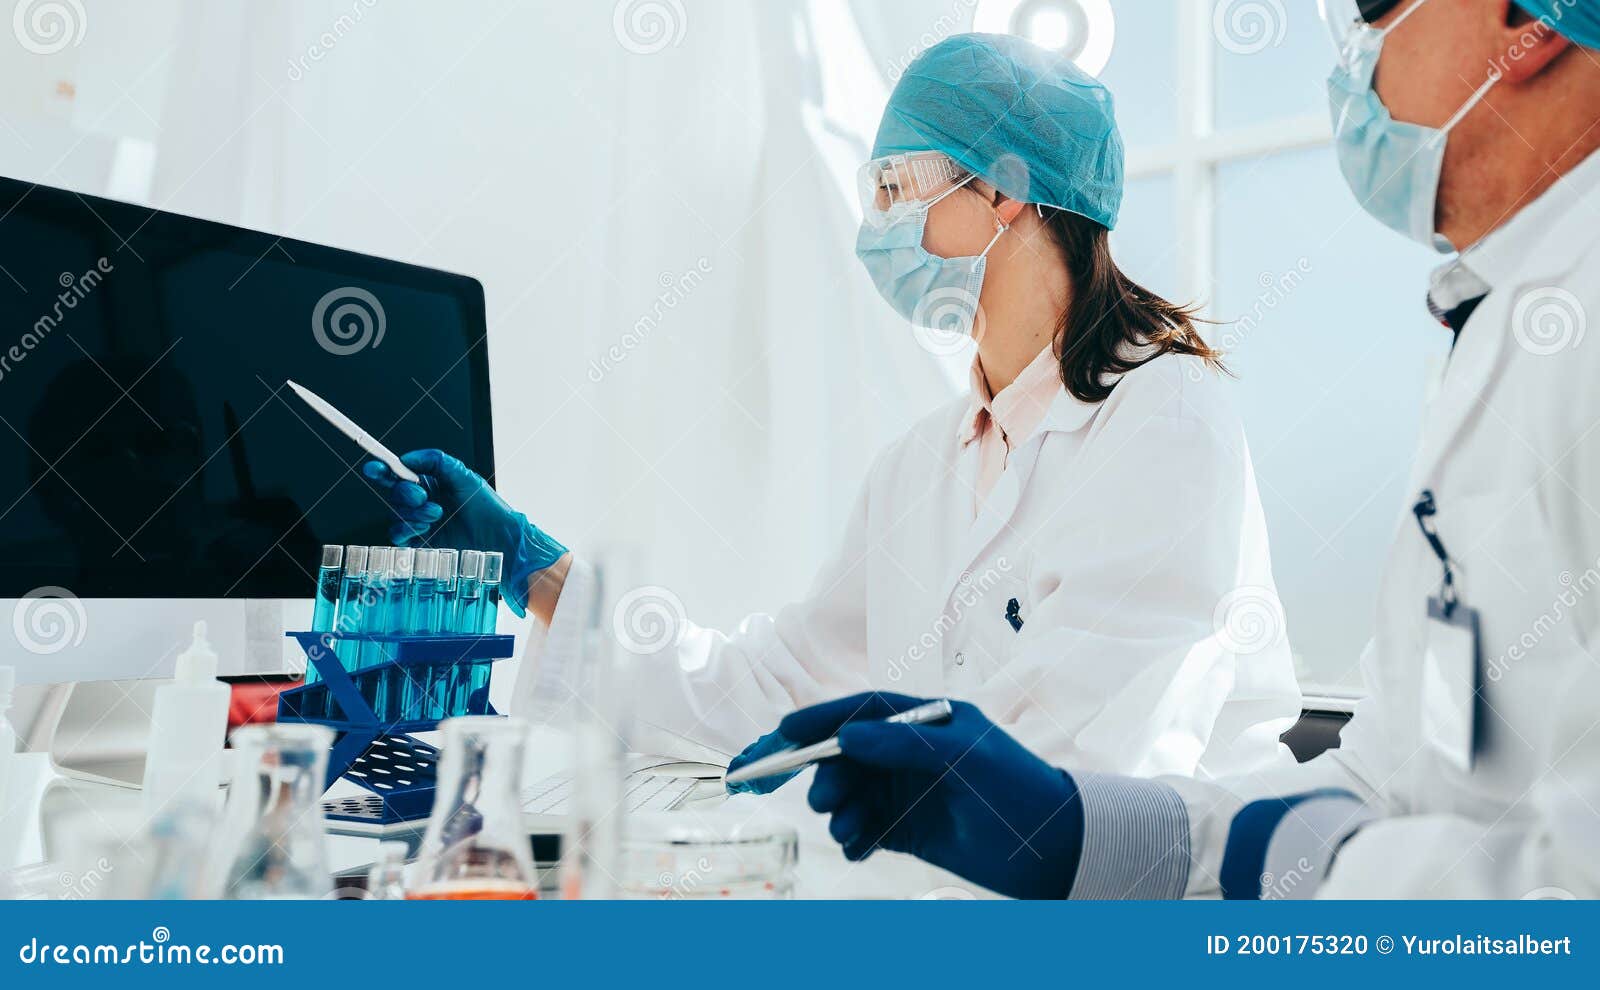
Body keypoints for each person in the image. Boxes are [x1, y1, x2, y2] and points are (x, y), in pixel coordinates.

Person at [781, 0, 1600, 899]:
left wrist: (1295, 870)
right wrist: (1087, 832)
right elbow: (1393, 778)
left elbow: (1552, 877)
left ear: (1533, 21)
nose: (1355, 57)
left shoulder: (1569, 325)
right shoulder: (1505, 326)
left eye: (1377, 6)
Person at [365, 34, 1300, 797]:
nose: (879, 225)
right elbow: (767, 685)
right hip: (956, 884)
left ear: (1008, 188)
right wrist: (530, 566)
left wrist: (852, 766)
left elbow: (1092, 752)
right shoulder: (923, 462)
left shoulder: (1163, 418)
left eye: (899, 187)